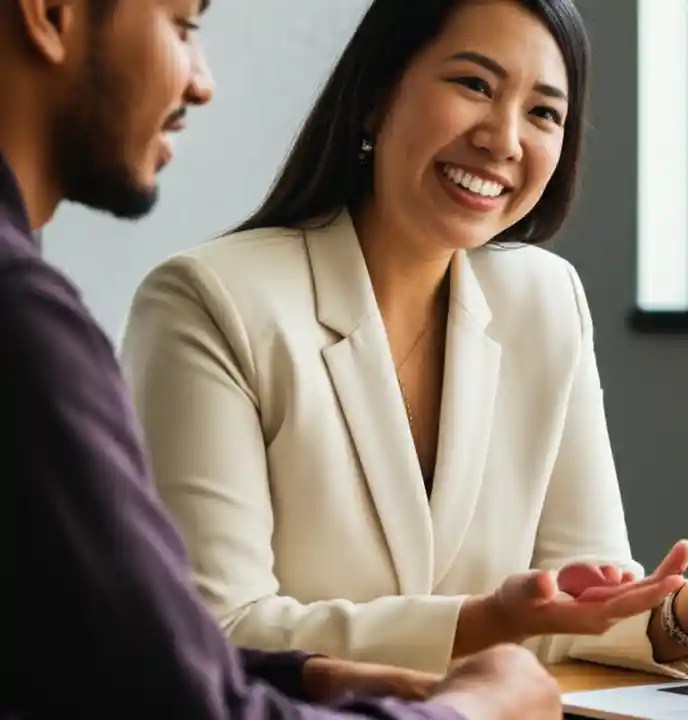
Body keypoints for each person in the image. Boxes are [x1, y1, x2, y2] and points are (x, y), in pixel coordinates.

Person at [119, 0, 688, 679]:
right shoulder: (211, 300)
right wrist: (489, 621)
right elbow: (216, 631)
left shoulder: (543, 298)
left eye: (544, 112)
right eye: (474, 85)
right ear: (377, 96)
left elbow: (581, 598)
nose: (503, 139)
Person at [0, 1, 560, 718]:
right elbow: (186, 704)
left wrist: (310, 675)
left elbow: (98, 651)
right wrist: (469, 713)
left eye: (545, 112)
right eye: (182, 25)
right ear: (51, 13)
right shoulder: (26, 319)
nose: (201, 82)